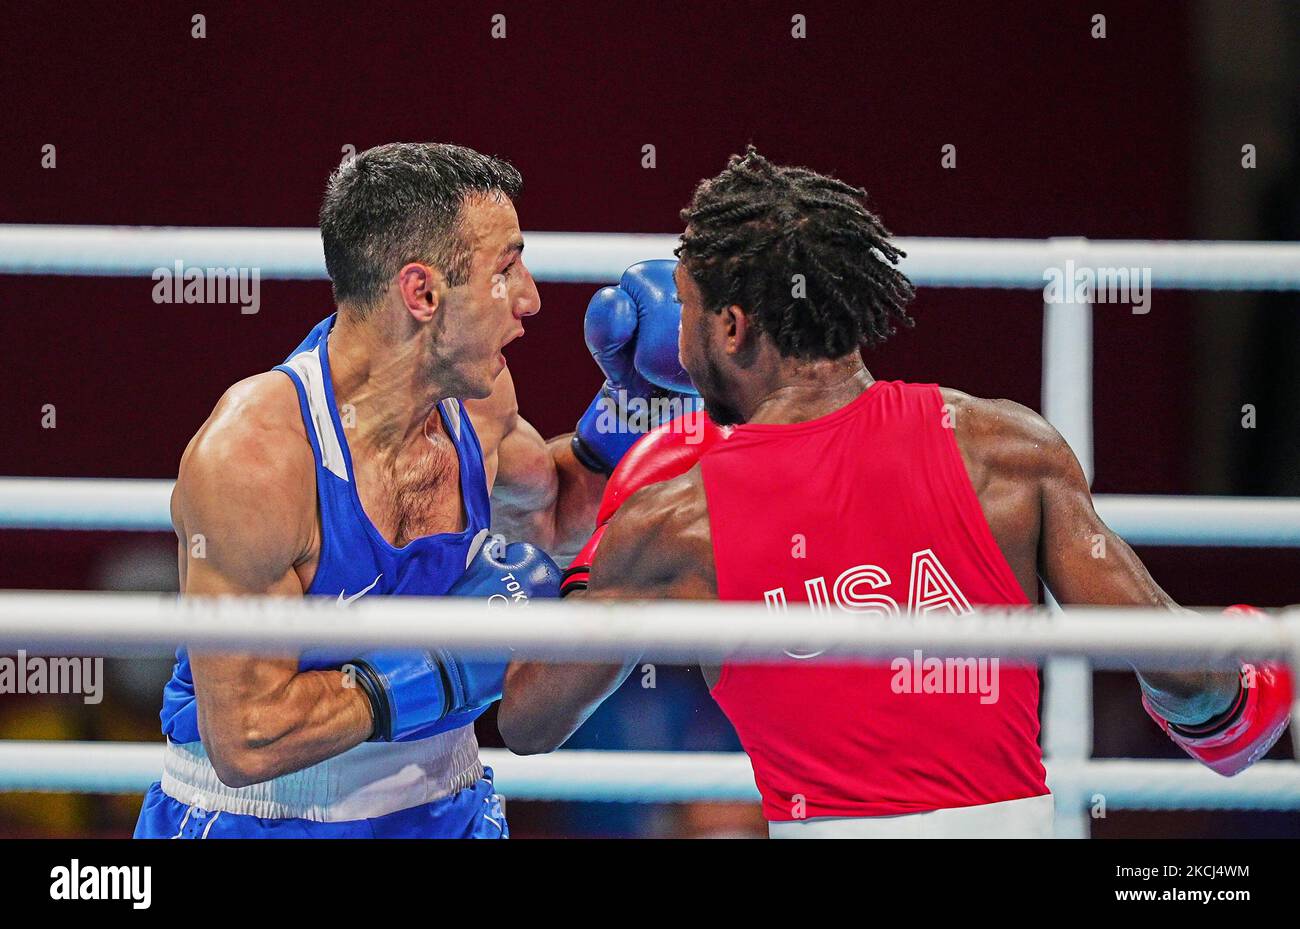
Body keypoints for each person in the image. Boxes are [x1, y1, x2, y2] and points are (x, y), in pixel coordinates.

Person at [497, 147, 1293, 838]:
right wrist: (1256, 669)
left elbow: (528, 722)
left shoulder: (673, 521)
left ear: (733, 329)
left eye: (691, 313)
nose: (677, 342)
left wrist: (593, 552)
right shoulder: (1007, 448)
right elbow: (1185, 675)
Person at [134, 142, 689, 838]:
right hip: (262, 819)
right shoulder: (255, 458)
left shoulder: (477, 404)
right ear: (422, 293)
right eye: (506, 267)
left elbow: (549, 520)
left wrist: (636, 411)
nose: (531, 297)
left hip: (445, 805)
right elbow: (247, 737)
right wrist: (440, 664)